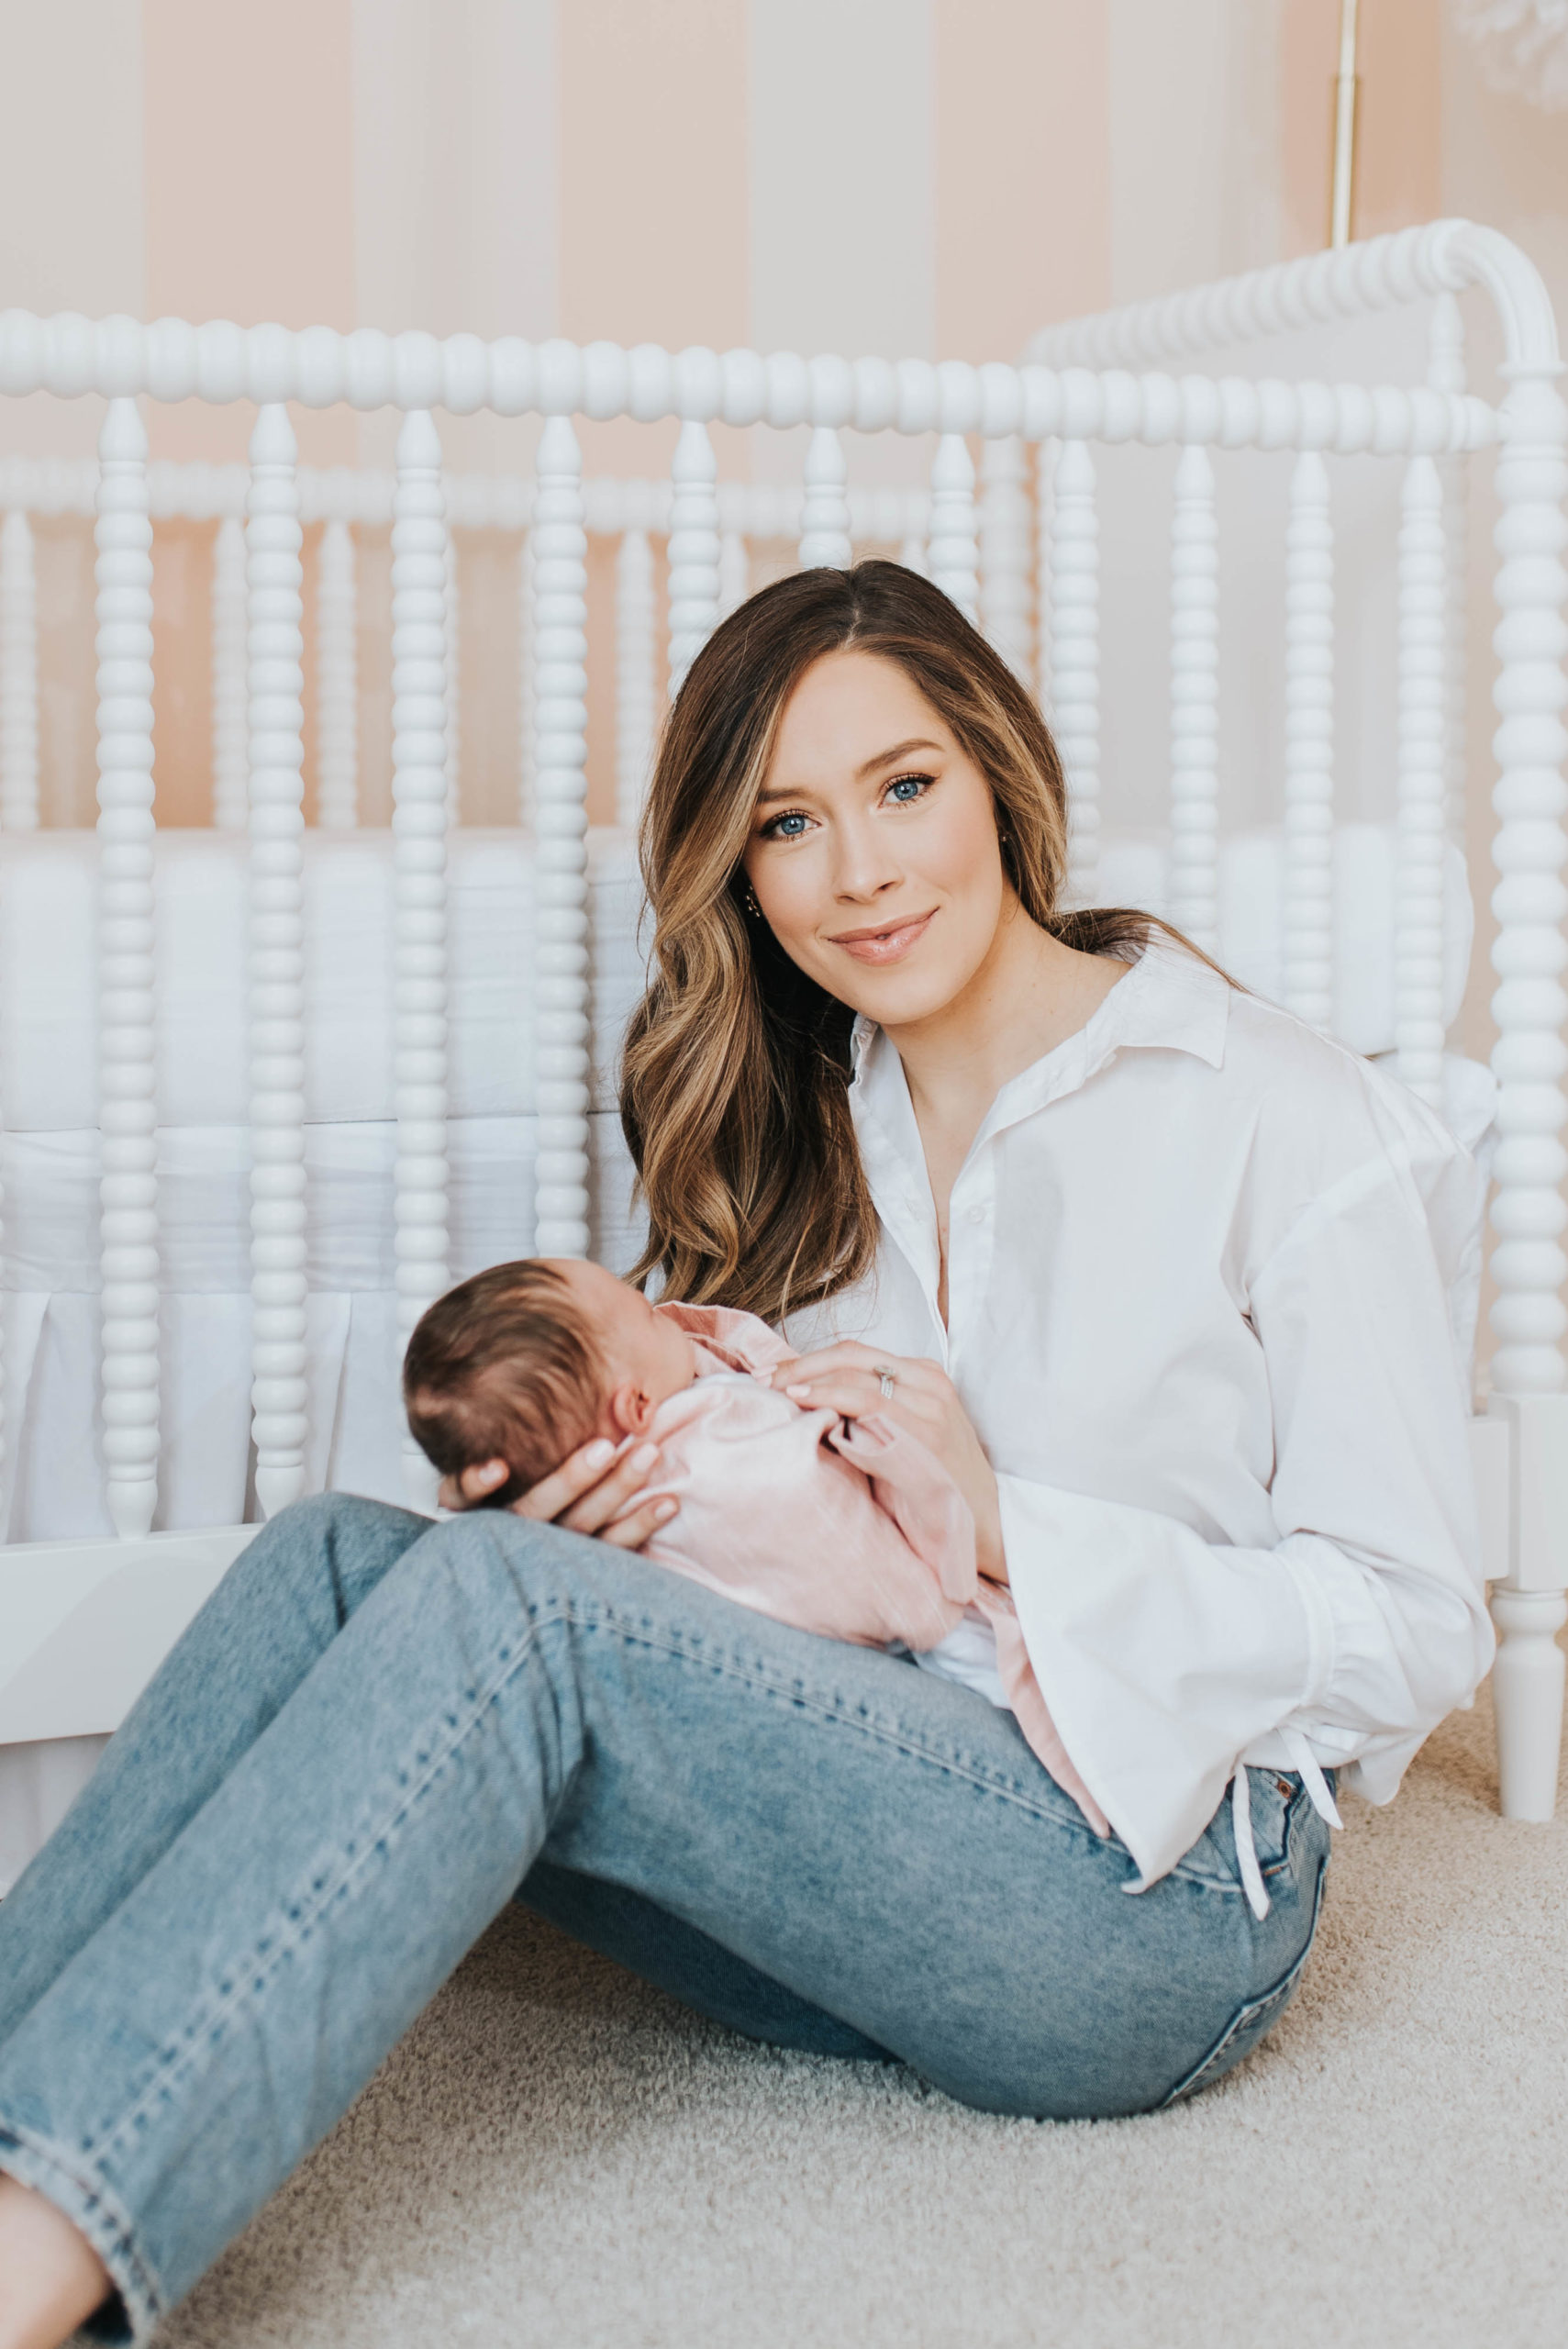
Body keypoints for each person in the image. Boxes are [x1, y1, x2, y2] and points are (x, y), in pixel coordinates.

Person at [0, 562, 1492, 2349]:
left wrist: (1009, 1528)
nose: (858, 866)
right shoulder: (796, 1120)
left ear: (998, 774)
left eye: (901, 784)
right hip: (873, 1834)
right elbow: (767, 1559)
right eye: (787, 819)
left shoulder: (1275, 1104)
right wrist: (606, 1534)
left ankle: (39, 2260)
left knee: (511, 1619)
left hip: (1146, 1903)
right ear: (738, 866)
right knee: (341, 1552)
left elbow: (1414, 1620)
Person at [401, 1257, 1104, 1824]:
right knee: (338, 1534)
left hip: (951, 1686)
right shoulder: (721, 1445)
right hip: (913, 1639)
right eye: (650, 1314)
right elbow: (804, 1500)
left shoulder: (688, 1417)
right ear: (636, 1407)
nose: (669, 1313)